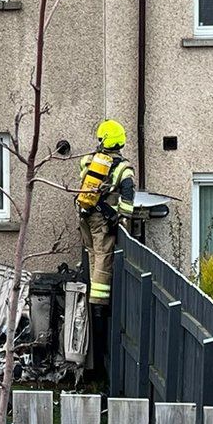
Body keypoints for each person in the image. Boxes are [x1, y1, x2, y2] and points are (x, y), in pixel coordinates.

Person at [78, 119, 135, 306]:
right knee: (103, 255)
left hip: (85, 214)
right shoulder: (123, 168)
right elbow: (128, 197)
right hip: (102, 219)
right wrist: (123, 219)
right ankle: (99, 304)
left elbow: (83, 179)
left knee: (92, 252)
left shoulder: (88, 162)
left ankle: (93, 295)